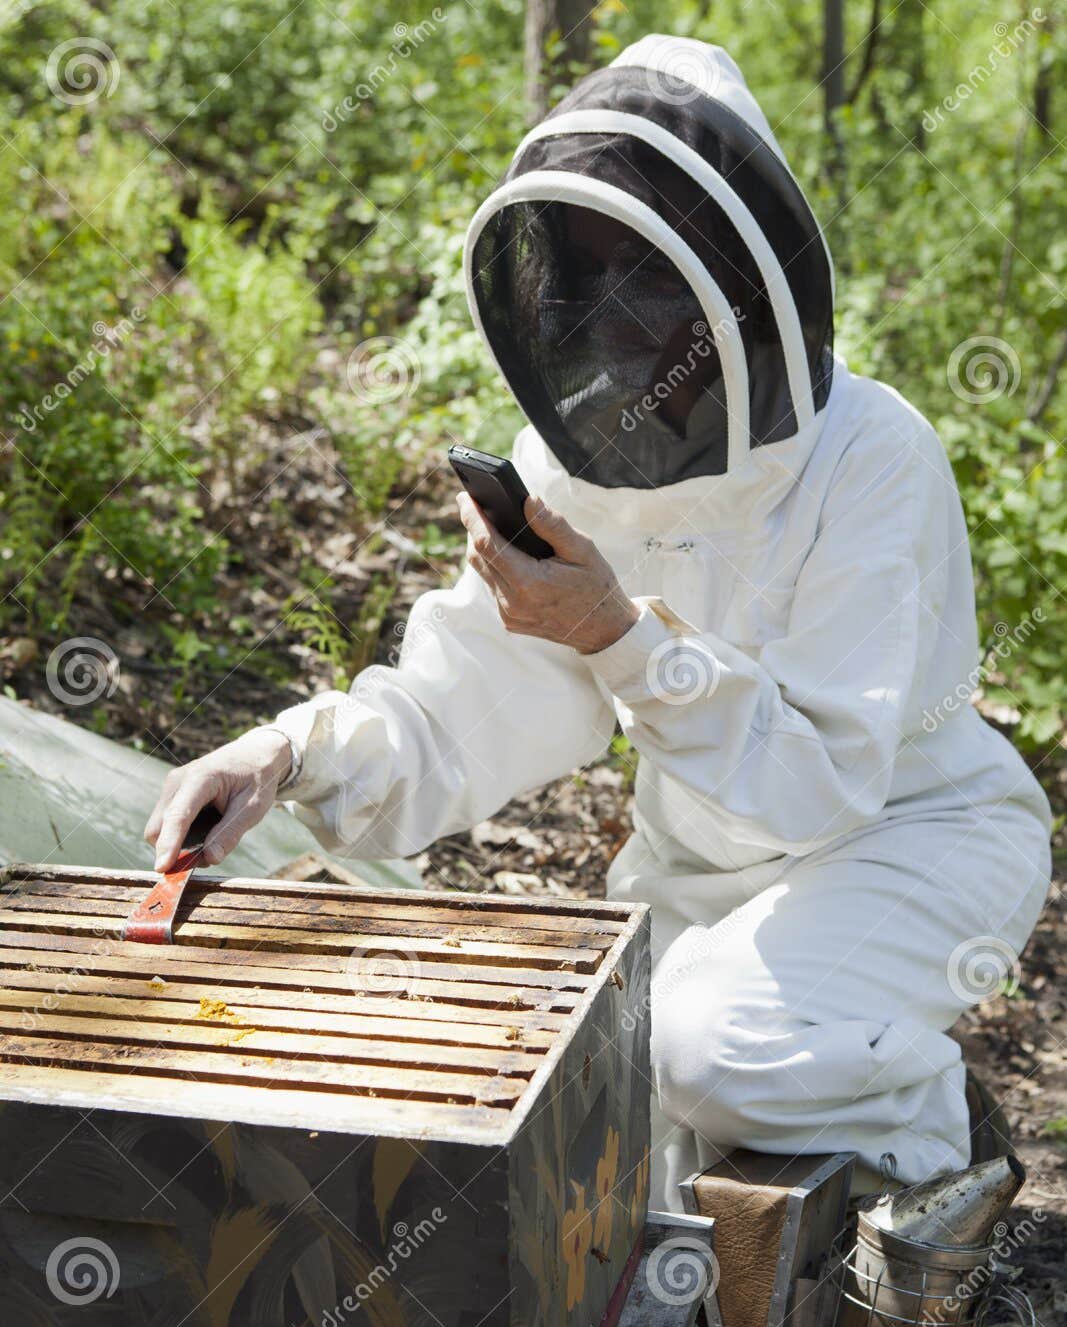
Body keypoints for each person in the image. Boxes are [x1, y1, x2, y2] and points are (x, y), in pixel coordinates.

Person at [145, 37, 1051, 1212]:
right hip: (700, 866)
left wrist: (619, 633)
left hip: (906, 841)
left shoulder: (874, 459)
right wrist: (287, 750)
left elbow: (819, 782)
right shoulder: (575, 466)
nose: (619, 318)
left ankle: (938, 1158)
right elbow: (460, 709)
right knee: (597, 1112)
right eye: (589, 273)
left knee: (706, 1050)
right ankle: (823, 1112)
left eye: (650, 272)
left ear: (733, 273)